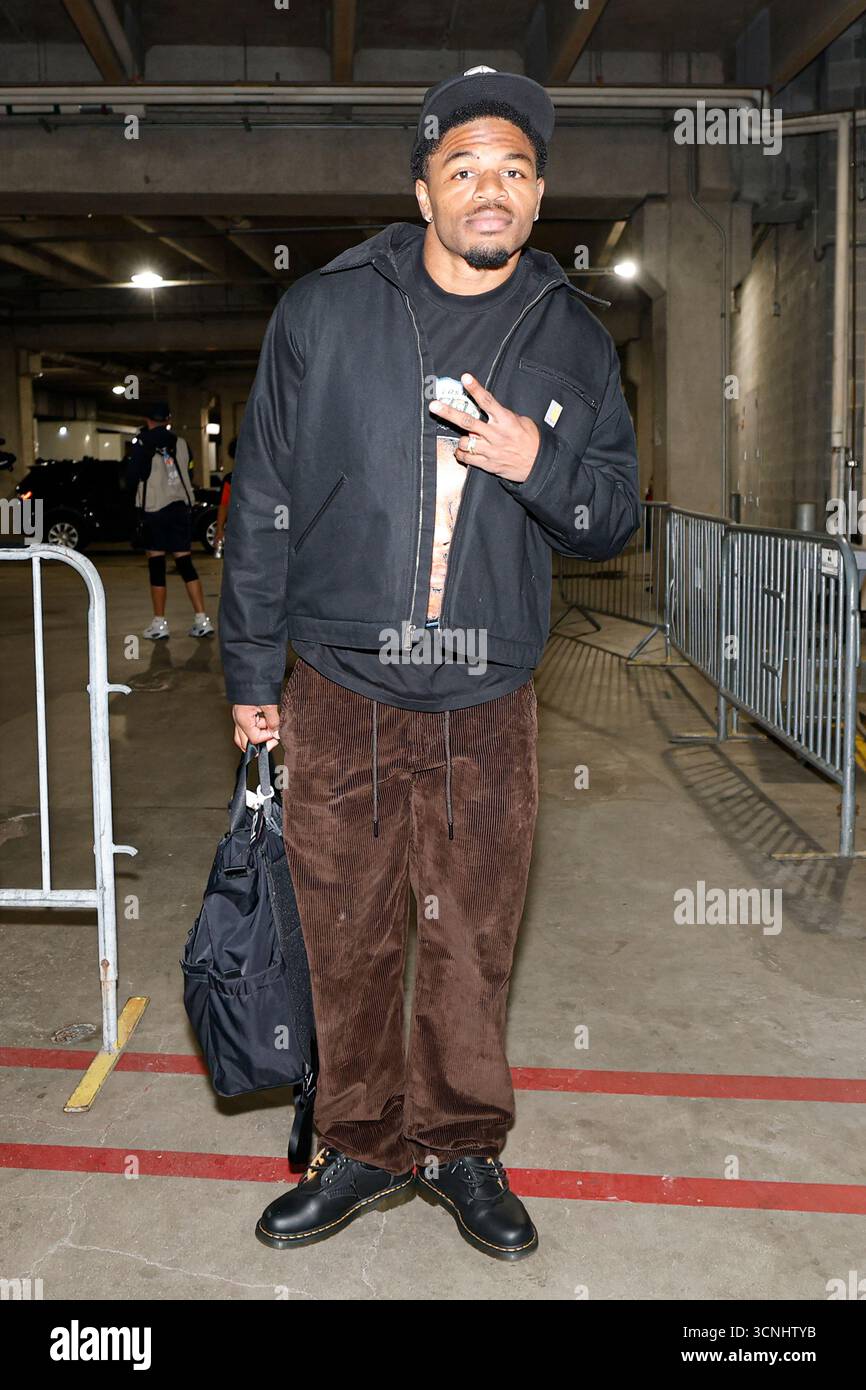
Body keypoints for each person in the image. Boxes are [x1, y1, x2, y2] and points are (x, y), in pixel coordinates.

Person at [218, 67, 640, 1260]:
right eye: (462, 168)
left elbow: (612, 515)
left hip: (489, 693)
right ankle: (356, 1143)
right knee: (345, 927)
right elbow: (263, 505)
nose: (487, 188)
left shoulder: (569, 333)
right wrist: (251, 672)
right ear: (423, 191)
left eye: (511, 168)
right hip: (339, 680)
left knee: (469, 936)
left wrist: (532, 460)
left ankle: (458, 1146)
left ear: (539, 192)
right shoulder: (324, 312)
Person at [130, 401, 214, 639]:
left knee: (156, 565)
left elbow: (132, 476)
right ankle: (202, 619)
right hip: (179, 508)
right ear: (168, 420)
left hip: (154, 509)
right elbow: (189, 471)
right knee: (185, 563)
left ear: (148, 419)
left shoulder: (143, 443)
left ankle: (159, 624)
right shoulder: (181, 443)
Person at [213, 436, 236, 555]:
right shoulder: (230, 480)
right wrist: (220, 529)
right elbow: (223, 504)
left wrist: (220, 529)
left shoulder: (230, 479)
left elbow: (223, 505)